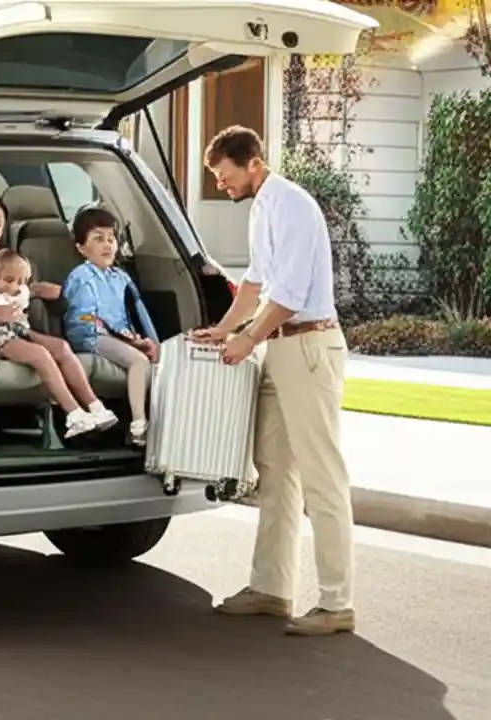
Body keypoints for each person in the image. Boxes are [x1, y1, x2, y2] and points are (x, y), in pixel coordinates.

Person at [193, 125, 355, 637]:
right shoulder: (262, 207)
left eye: (224, 174)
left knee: (322, 475)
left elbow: (289, 293)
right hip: (280, 347)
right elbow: (256, 283)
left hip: (308, 347)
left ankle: (337, 604)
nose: (220, 184)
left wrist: (247, 339)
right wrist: (224, 329)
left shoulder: (292, 205)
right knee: (275, 468)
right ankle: (271, 589)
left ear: (253, 163)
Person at [0, 194, 119, 439]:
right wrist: (1, 313)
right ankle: (73, 414)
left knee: (60, 347)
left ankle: (95, 407)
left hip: (13, 328)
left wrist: (36, 290)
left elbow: (10, 288)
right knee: (40, 354)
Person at [61, 207, 160, 446]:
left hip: (116, 335)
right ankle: (138, 425)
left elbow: (137, 312)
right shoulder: (81, 275)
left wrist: (149, 341)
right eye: (98, 239)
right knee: (139, 361)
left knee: (156, 359)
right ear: (81, 248)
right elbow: (85, 318)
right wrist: (128, 340)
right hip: (90, 334)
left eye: (111, 238)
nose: (107, 245)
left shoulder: (120, 277)